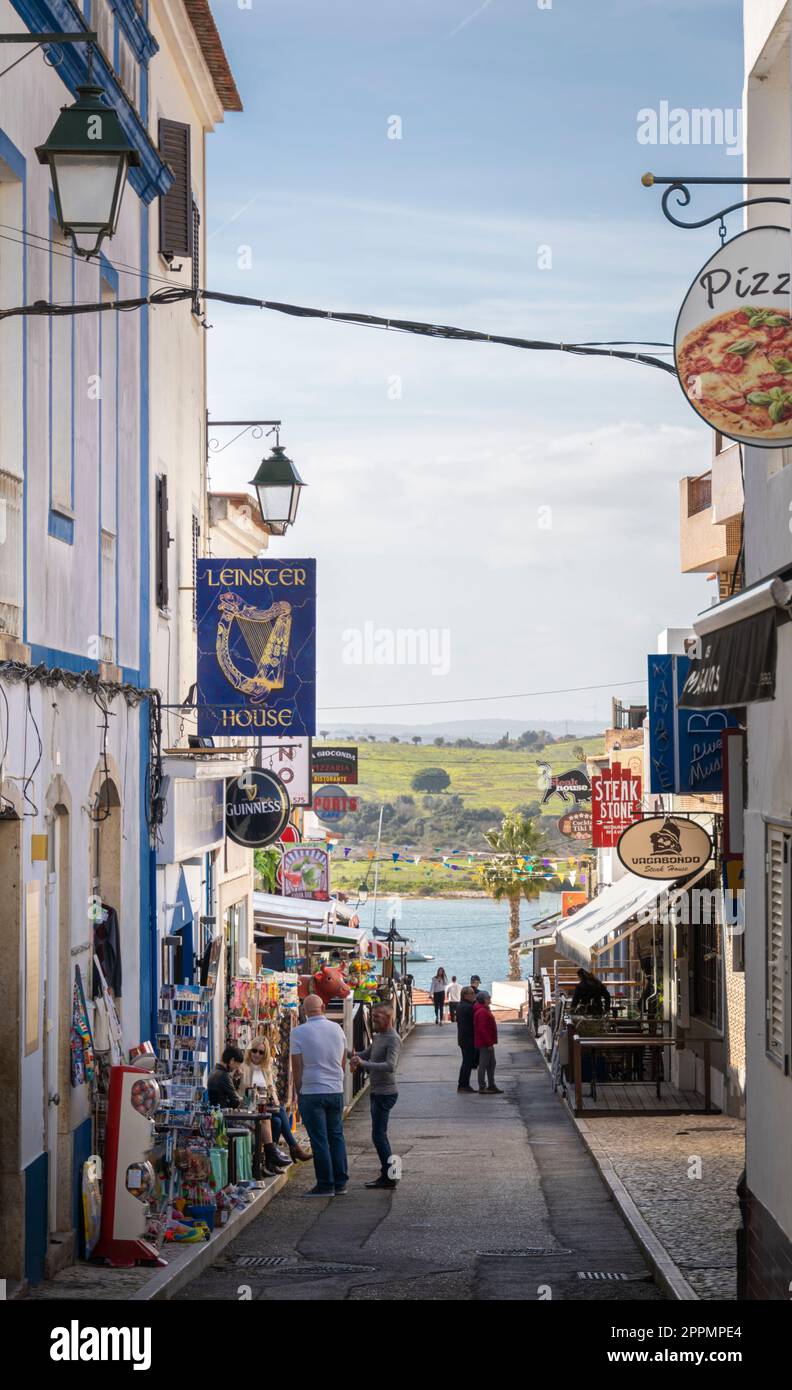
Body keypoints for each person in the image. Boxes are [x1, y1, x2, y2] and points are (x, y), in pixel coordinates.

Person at [290, 994, 349, 1197]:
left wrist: (299, 1091)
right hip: (335, 1089)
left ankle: (325, 1184)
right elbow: (342, 1061)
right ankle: (340, 1182)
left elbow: (296, 1067)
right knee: (336, 1136)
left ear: (304, 1011)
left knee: (319, 1139)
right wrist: (338, 1081)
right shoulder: (337, 1029)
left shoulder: (298, 1032)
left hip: (312, 1089)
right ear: (323, 1007)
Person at [351, 1001, 402, 1190]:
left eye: (376, 1016)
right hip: (376, 1091)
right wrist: (347, 1053)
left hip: (385, 1093)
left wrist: (364, 1064)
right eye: (372, 1016)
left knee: (378, 1135)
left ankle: (389, 1175)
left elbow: (390, 1066)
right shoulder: (379, 1036)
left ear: (388, 1018)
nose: (373, 1019)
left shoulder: (392, 1038)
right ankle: (388, 1173)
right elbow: (365, 1054)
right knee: (379, 1135)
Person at [241, 1037, 311, 1165]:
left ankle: (271, 1161)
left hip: (265, 1107)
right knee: (279, 1115)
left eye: (261, 1052)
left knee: (278, 1118)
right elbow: (241, 1091)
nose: (257, 1054)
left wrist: (274, 1098)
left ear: (265, 1054)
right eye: (254, 1050)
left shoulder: (265, 1068)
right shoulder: (244, 1067)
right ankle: (293, 1148)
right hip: (250, 1108)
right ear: (250, 1050)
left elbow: (271, 1087)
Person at [473, 991, 502, 1093]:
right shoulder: (482, 1012)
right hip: (485, 1043)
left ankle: (491, 1085)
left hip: (487, 1042)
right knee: (484, 1064)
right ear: (484, 1000)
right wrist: (489, 1043)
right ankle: (482, 1086)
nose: (490, 999)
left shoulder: (484, 1010)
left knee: (491, 1063)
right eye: (489, 997)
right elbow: (482, 1029)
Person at [455, 985, 479, 1092]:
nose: (474, 995)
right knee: (467, 1063)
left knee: (466, 1062)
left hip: (463, 1038)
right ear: (465, 995)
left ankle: (463, 1084)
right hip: (468, 1039)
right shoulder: (468, 1007)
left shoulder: (461, 1006)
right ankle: (463, 1085)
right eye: (472, 993)